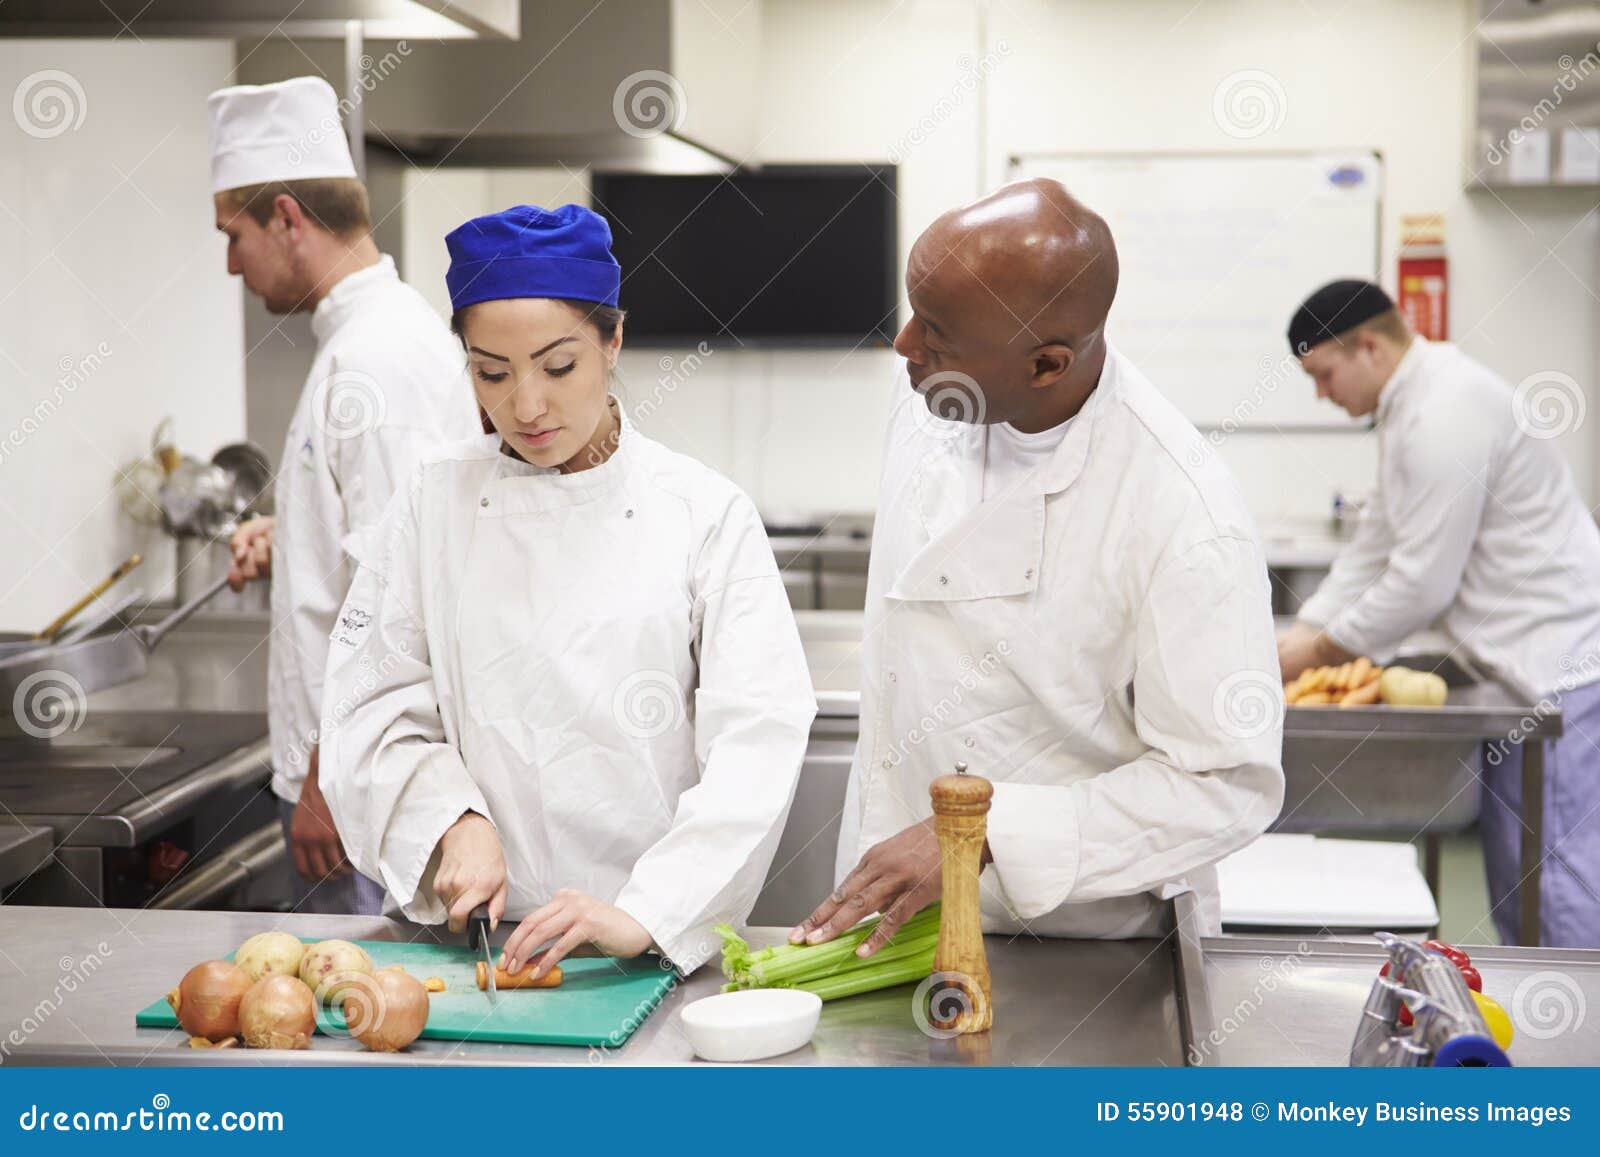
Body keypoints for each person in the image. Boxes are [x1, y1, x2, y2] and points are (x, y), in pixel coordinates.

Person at [318, 204, 816, 976]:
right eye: (491, 372)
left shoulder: (701, 513)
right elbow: (371, 705)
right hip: (472, 949)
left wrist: (645, 912)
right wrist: (452, 819)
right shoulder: (431, 502)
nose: (525, 406)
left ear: (613, 340)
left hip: (647, 949)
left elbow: (758, 737)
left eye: (558, 366)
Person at [791, 179, 1285, 954]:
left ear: (1047, 366)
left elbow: (1224, 785)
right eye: (914, 312)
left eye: (938, 335)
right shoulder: (933, 387)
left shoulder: (1183, 514)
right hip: (894, 913)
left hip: (1078, 942)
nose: (903, 345)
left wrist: (981, 833)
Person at [209, 76, 479, 914]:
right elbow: (380, 520)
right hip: (349, 771)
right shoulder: (368, 343)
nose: (230, 264)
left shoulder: (375, 362)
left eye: (235, 234)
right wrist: (290, 533)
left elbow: (398, 590)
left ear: (288, 218)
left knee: (355, 1017)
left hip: (358, 783)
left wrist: (327, 775)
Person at [1277, 279, 1600, 947]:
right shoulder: (1410, 409)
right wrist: (1304, 630)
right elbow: (1376, 547)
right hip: (1522, 670)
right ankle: (1550, 1035)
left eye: (1323, 373)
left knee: (1556, 885)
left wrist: (1314, 653)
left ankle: (1577, 1040)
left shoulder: (1447, 408)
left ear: (1368, 346)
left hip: (1562, 669)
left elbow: (1422, 585)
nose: (1322, 393)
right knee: (1520, 884)